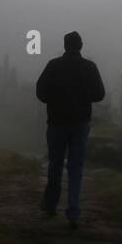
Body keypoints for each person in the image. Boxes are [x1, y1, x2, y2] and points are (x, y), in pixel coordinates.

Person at [35, 31, 105, 228]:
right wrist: (83, 96)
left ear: (65, 46)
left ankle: (50, 205)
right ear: (80, 46)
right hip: (80, 123)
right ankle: (73, 211)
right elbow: (100, 94)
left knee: (55, 164)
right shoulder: (90, 67)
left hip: (56, 122)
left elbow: (40, 91)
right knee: (76, 167)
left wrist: (54, 99)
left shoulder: (53, 65)